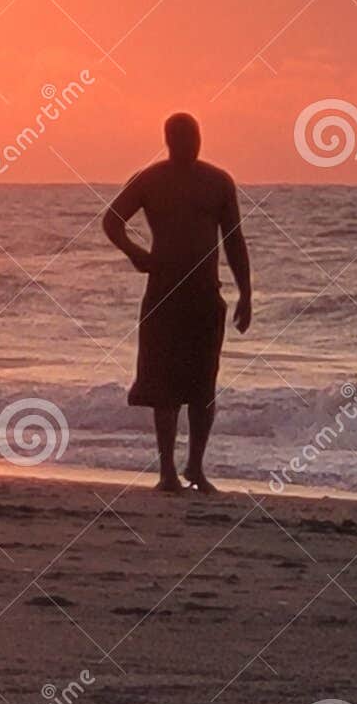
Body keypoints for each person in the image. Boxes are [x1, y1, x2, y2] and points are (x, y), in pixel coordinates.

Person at [102, 113, 251, 493]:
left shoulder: (218, 182)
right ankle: (167, 470)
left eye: (195, 136)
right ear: (169, 141)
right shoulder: (150, 180)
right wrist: (136, 254)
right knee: (162, 387)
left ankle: (196, 468)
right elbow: (111, 221)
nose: (190, 144)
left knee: (204, 386)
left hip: (204, 296)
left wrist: (246, 294)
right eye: (182, 138)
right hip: (163, 294)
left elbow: (234, 241)